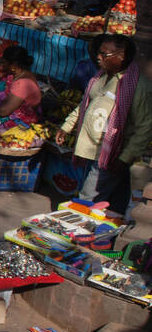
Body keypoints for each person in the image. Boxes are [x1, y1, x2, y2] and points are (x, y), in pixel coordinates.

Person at [56, 35, 152, 216]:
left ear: (122, 56)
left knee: (87, 199)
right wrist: (68, 125)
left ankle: (75, 234)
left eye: (104, 54)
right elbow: (88, 103)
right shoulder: (100, 77)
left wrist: (125, 158)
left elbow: (146, 127)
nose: (98, 58)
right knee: (112, 201)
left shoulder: (137, 85)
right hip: (92, 148)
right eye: (98, 53)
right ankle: (105, 234)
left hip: (111, 154)